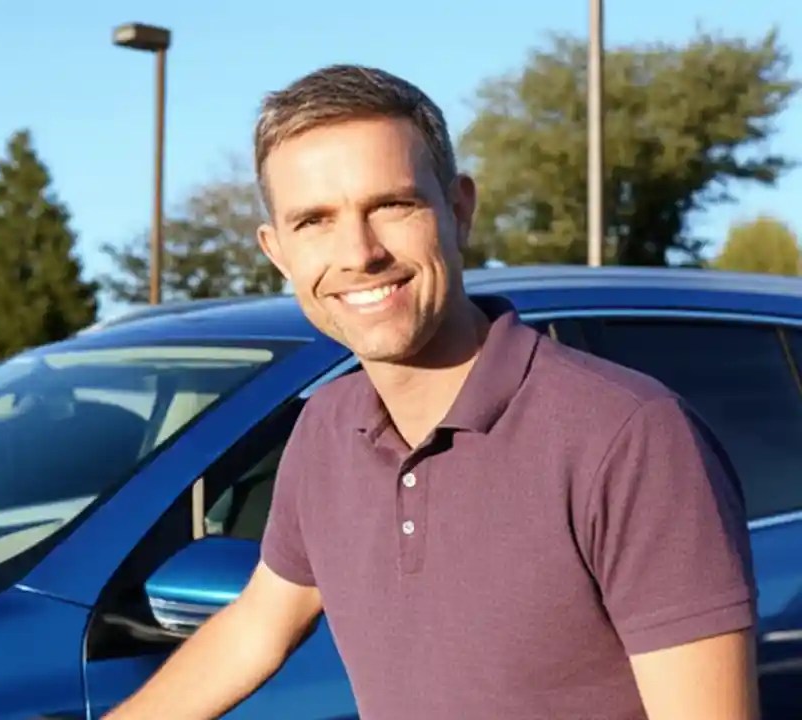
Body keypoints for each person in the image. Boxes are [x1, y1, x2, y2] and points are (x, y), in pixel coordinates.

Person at [106, 64, 759, 720]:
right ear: (278, 253)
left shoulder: (629, 436)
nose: (358, 252)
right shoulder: (325, 430)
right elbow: (255, 631)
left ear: (459, 209)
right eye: (315, 221)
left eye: (391, 205)